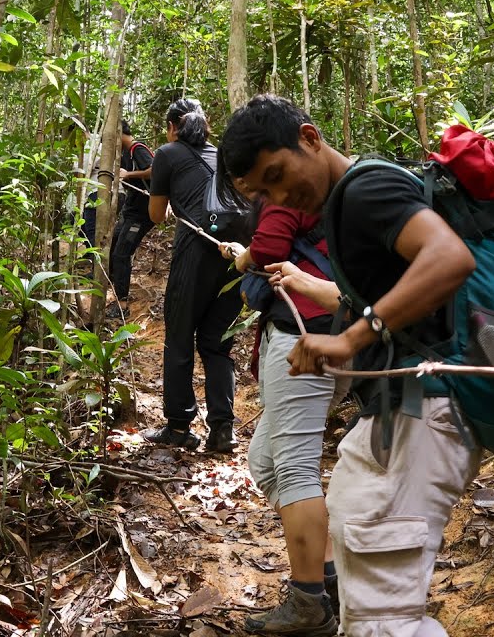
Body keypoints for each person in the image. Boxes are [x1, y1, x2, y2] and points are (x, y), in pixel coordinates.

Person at [218, 94, 480, 637]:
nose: (280, 195)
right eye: (262, 192)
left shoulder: (364, 190)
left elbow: (450, 259)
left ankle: (315, 599)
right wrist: (326, 292)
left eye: (278, 175)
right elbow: (390, 288)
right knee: (372, 598)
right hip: (402, 408)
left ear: (310, 138)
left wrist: (355, 335)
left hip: (426, 405)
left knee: (382, 620)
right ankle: (327, 590)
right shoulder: (344, 203)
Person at [218, 205, 340, 636]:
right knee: (266, 462)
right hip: (305, 325)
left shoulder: (288, 187)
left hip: (305, 331)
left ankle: (310, 603)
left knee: (294, 469)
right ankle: (330, 582)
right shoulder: (309, 187)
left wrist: (243, 257)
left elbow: (268, 245)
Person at [144, 98, 241, 453]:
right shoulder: (224, 156)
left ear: (172, 127)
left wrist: (170, 203)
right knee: (217, 341)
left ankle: (180, 426)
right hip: (237, 254)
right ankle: (222, 430)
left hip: (196, 251)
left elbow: (156, 215)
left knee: (180, 334)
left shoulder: (167, 153)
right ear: (206, 123)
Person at [108, 120, 155, 312]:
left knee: (122, 253)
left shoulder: (137, 148)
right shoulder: (125, 153)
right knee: (113, 245)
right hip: (130, 210)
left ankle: (122, 304)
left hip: (141, 214)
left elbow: (154, 171)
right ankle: (116, 288)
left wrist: (129, 175)